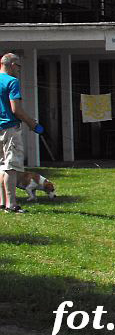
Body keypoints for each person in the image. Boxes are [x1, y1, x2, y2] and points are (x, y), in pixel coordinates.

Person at [1, 52, 44, 214]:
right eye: (18, 66)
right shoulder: (12, 82)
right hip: (9, 129)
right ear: (12, 65)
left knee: (1, 166)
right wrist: (32, 123)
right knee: (11, 167)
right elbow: (16, 109)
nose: (19, 70)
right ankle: (11, 205)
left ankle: (1, 202)